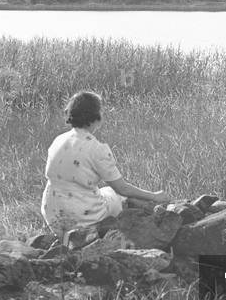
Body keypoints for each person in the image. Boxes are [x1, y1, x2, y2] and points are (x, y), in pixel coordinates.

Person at [41, 90, 170, 237]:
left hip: (53, 216)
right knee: (117, 195)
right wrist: (154, 196)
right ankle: (148, 219)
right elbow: (123, 189)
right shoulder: (97, 149)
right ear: (96, 116)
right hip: (81, 218)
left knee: (106, 191)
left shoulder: (58, 140)